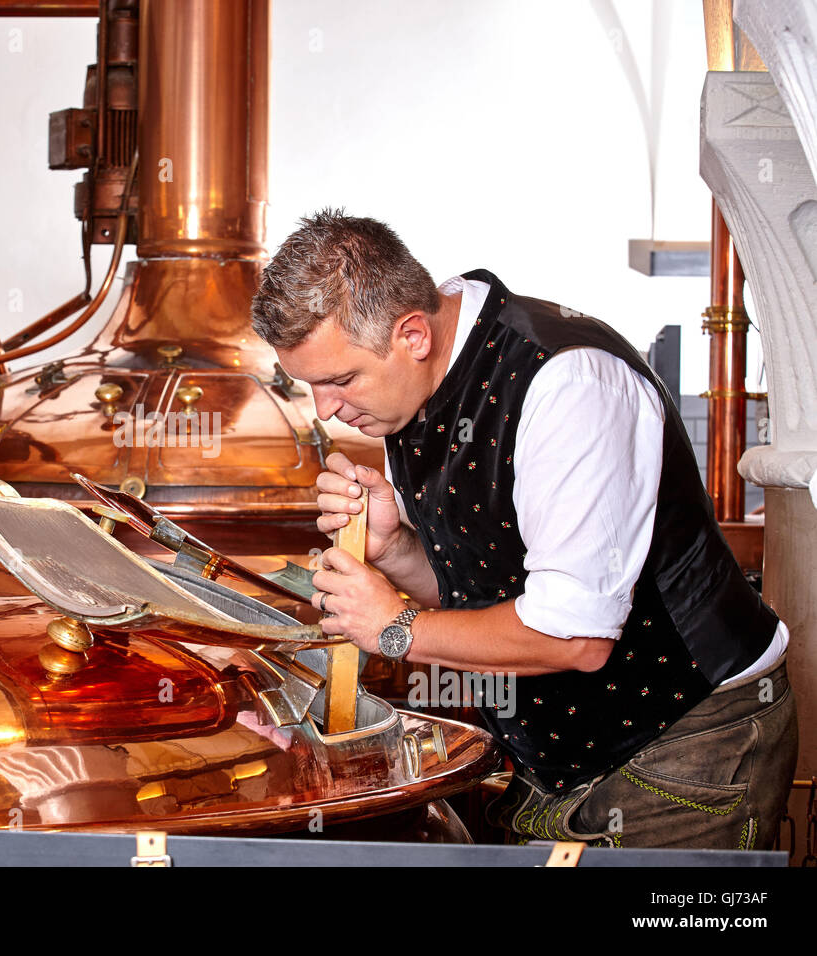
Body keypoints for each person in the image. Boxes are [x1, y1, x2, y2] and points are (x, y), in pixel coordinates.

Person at [250, 209, 798, 850]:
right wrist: (395, 550)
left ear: (413, 334)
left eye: (340, 381)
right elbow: (484, 596)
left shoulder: (570, 384)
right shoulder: (414, 386)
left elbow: (575, 636)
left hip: (688, 743)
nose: (325, 410)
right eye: (310, 386)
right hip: (556, 763)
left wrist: (395, 628)